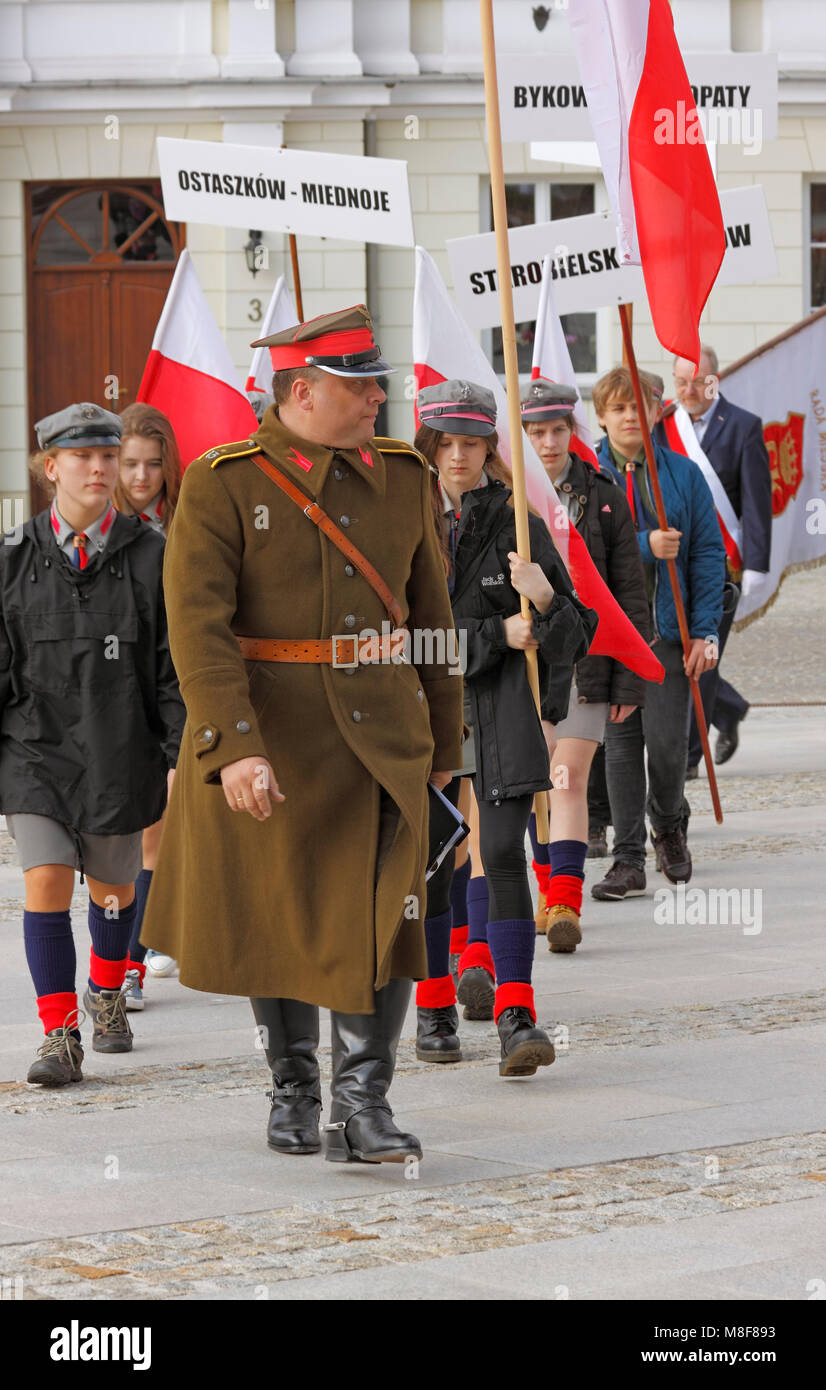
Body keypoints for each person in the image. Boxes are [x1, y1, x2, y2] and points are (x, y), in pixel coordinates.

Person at [140, 305, 464, 1164]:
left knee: (385, 914)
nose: (375, 400)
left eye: (375, 384)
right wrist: (234, 743)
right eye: (358, 387)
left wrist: (452, 759)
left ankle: (363, 1107)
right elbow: (197, 627)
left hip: (386, 740)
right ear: (300, 391)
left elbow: (434, 624)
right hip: (275, 735)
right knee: (284, 916)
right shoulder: (222, 479)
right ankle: (293, 1088)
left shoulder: (405, 476)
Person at [412, 379, 597, 1073]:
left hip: (501, 715)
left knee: (505, 855)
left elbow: (579, 632)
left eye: (471, 442)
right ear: (429, 444)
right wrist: (496, 632)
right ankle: (433, 1010)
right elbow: (398, 640)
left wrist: (548, 603)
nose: (458, 456)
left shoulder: (520, 520)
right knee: (430, 868)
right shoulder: (404, 522)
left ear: (491, 445)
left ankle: (517, 1013)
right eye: (446, 442)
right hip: (427, 716)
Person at [1, 404, 184, 1085]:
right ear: (52, 468)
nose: (102, 468)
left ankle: (107, 993)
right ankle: (59, 1034)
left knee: (112, 891)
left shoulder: (154, 556)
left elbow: (172, 667)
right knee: (45, 880)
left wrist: (180, 753)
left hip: (120, 748)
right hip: (35, 750)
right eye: (84, 457)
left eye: (109, 455)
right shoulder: (12, 560)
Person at [520, 379, 650, 949]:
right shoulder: (505, 493)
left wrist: (630, 677)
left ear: (573, 430)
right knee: (527, 785)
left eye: (556, 430)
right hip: (525, 662)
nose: (548, 442)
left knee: (566, 779)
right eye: (535, 432)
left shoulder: (603, 494)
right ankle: (547, 891)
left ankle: (566, 901)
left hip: (588, 664)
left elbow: (628, 592)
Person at [590, 367, 725, 898]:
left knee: (668, 745)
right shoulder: (587, 474)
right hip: (613, 636)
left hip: (669, 633)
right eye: (618, 408)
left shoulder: (684, 475)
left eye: (639, 406)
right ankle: (628, 859)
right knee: (620, 748)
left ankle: (668, 824)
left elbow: (710, 554)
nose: (629, 416)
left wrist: (705, 631)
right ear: (601, 416)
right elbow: (580, 551)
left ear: (657, 411)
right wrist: (647, 545)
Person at [660, 346, 772, 772]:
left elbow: (757, 503)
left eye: (698, 381)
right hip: (670, 562)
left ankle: (689, 756)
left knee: (703, 659)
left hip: (722, 566)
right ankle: (728, 709)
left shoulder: (743, 426)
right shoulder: (661, 424)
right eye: (681, 381)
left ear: (715, 380)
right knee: (675, 654)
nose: (689, 390)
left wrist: (757, 566)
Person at [115, 403, 183, 1006]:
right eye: (130, 464)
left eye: (152, 464)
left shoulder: (182, 527)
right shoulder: (98, 534)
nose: (141, 477)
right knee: (118, 846)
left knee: (153, 839)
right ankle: (132, 944)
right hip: (111, 704)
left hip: (171, 697)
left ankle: (129, 966)